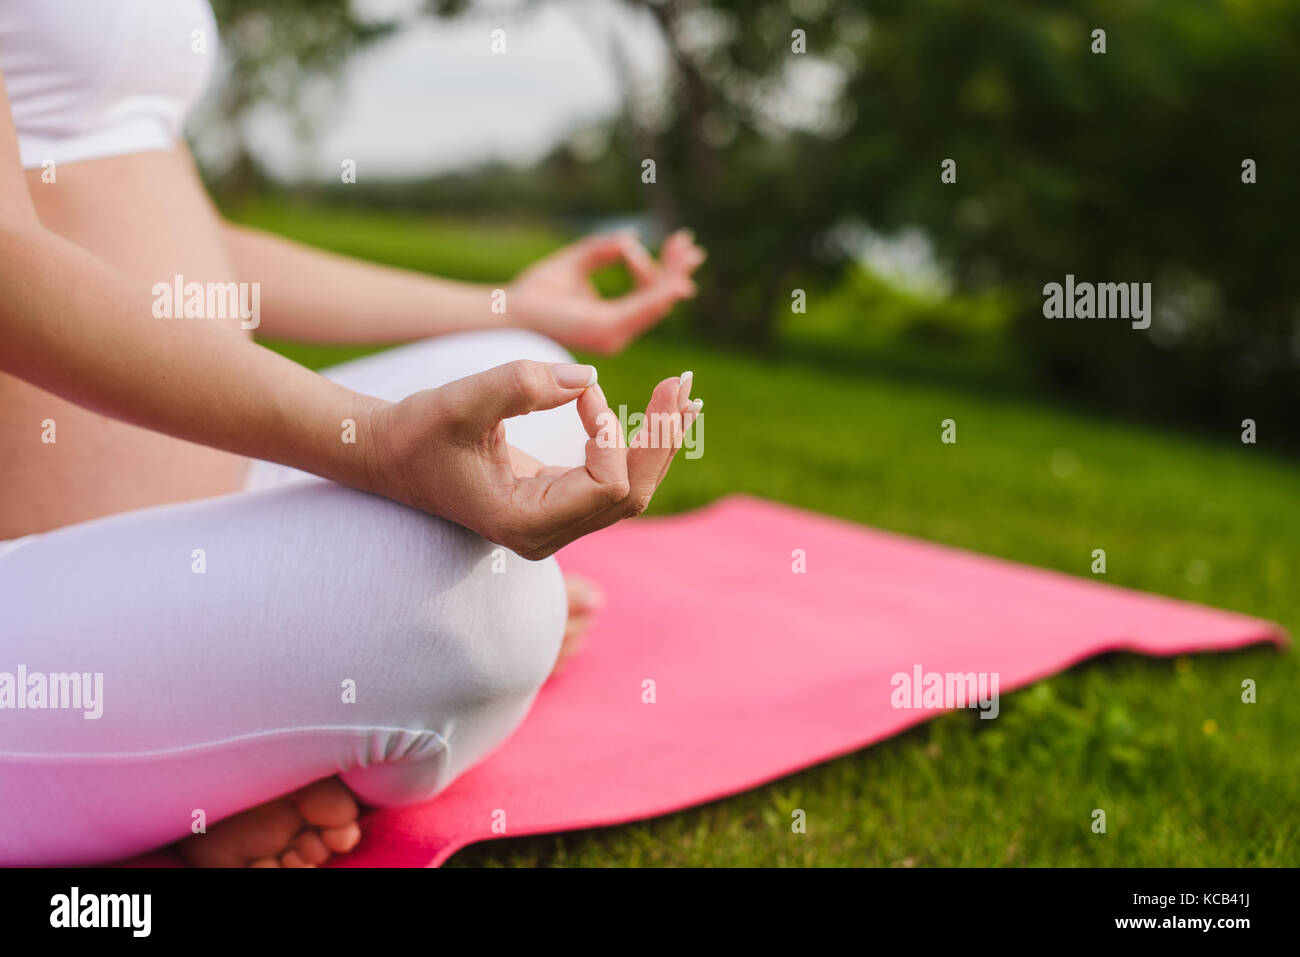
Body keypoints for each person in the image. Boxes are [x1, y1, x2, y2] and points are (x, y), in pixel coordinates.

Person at [0, 0, 705, 867]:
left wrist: (509, 305)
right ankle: (218, 763)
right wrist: (373, 443)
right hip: (23, 580)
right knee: (481, 608)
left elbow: (206, 256)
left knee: (535, 388)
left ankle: (216, 749)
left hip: (192, 499)